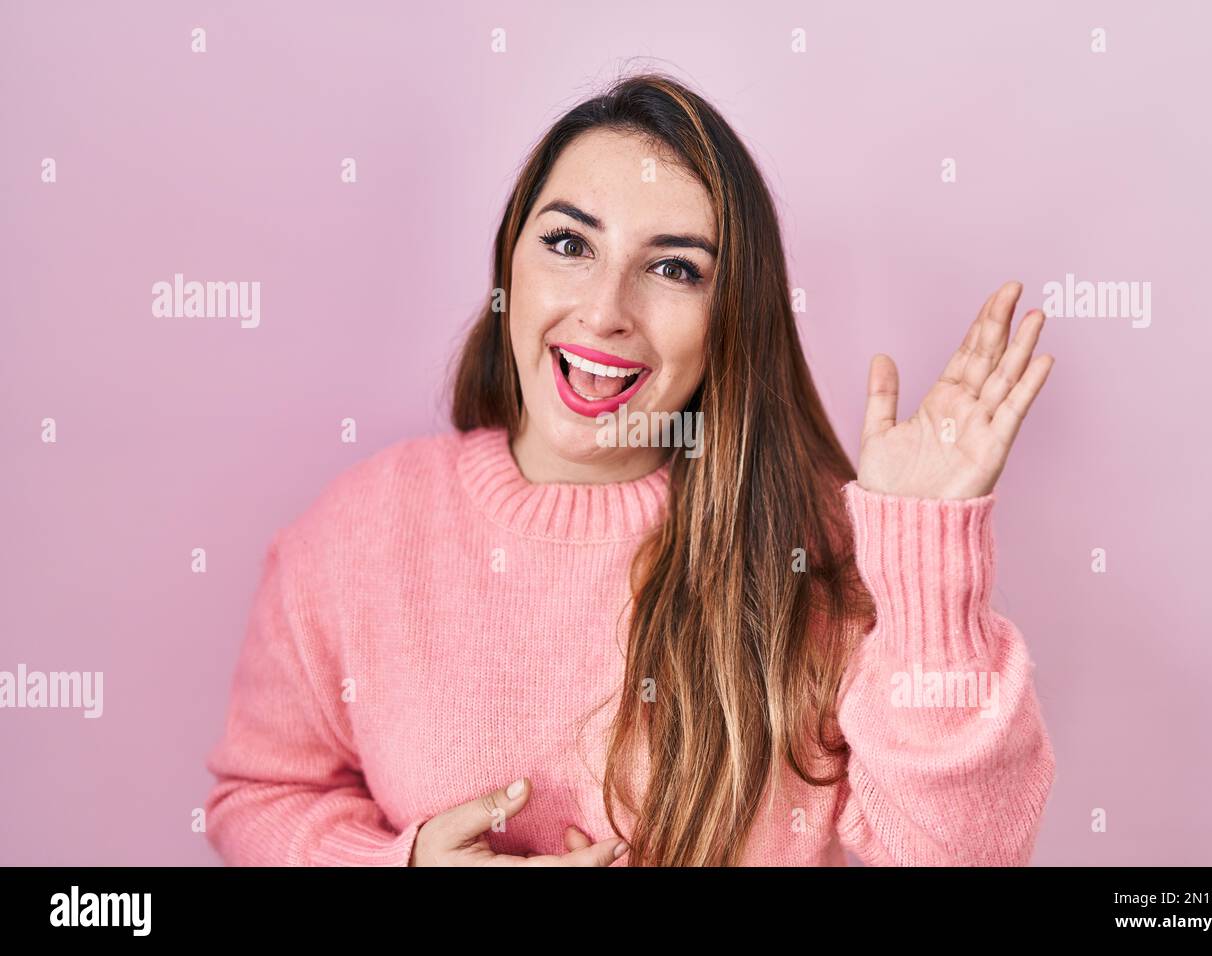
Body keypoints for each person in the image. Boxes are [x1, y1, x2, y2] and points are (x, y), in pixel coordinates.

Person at [204, 72, 1056, 867]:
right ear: (510, 265)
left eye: (673, 267)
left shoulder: (814, 551)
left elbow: (962, 853)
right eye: (569, 243)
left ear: (731, 321)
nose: (605, 310)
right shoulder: (360, 528)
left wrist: (926, 570)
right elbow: (264, 796)